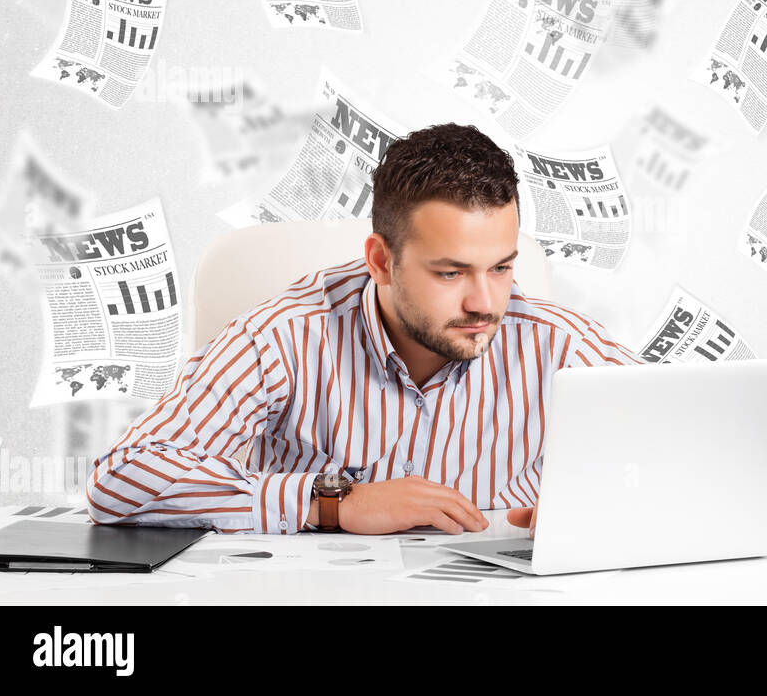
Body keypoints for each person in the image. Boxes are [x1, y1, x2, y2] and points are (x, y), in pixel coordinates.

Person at [86, 123, 641, 536]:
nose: (485, 303)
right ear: (380, 261)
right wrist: (335, 503)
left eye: (501, 267)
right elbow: (122, 480)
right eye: (450, 272)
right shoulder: (282, 337)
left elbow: (704, 450)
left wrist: (614, 500)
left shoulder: (557, 342)